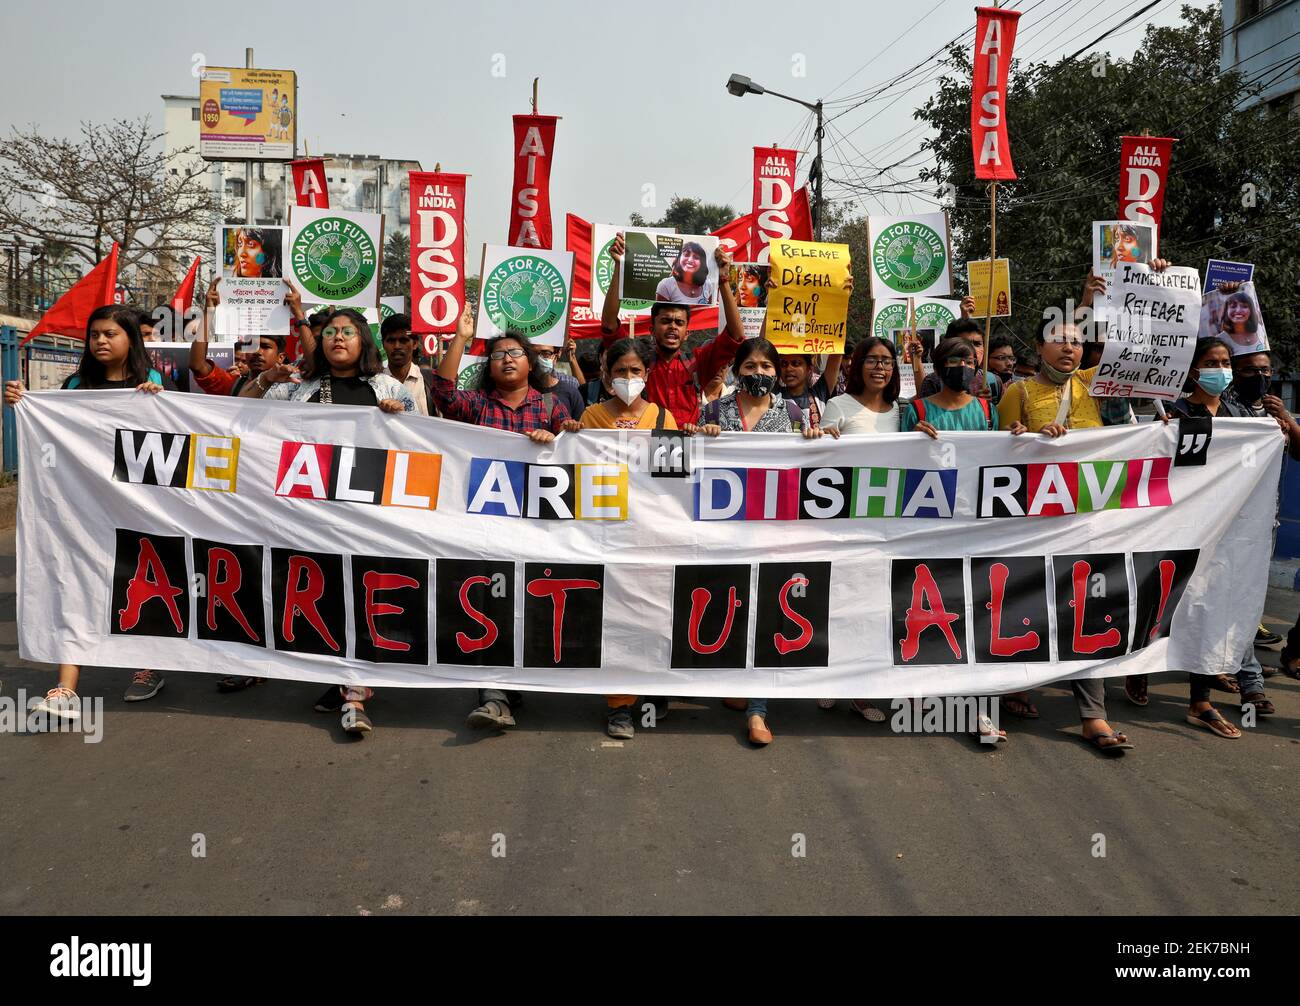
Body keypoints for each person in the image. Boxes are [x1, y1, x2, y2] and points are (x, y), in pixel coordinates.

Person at [240, 307, 415, 735]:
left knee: (361, 592)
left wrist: (401, 418)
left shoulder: (388, 387)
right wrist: (265, 380)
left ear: (363, 342)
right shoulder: (298, 387)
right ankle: (339, 676)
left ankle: (355, 692)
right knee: (326, 593)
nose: (338, 338)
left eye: (349, 332)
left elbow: (425, 444)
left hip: (369, 513)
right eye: (332, 332)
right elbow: (237, 415)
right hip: (310, 513)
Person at [4, 304, 171, 717]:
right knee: (72, 583)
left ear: (130, 339)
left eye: (110, 334)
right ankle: (65, 686)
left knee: (136, 583)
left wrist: (160, 404)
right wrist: (23, 405)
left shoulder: (151, 383)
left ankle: (146, 667)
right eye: (95, 334)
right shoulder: (76, 384)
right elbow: (55, 440)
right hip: (82, 508)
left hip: (136, 508)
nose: (100, 340)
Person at [432, 305, 570, 732]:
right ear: (487, 368)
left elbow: (575, 442)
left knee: (527, 605)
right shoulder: (475, 407)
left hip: (536, 529)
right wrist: (460, 337)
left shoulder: (551, 405)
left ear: (531, 362)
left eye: (514, 352)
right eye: (497, 355)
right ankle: (493, 695)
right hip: (488, 528)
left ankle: (513, 683)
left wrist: (556, 440)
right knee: (492, 603)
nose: (507, 359)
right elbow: (442, 395)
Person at [696, 337, 827, 746]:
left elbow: (812, 460)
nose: (760, 374)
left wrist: (822, 439)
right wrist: (702, 434)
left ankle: (758, 710)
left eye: (767, 368)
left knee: (769, 614)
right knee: (734, 611)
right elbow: (692, 458)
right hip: (725, 534)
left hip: (776, 532)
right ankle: (738, 684)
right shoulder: (714, 410)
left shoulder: (793, 412)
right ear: (737, 372)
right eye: (750, 367)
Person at [1168, 337, 1288, 734]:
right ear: (1192, 369)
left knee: (1212, 607)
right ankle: (1143, 670)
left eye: (1224, 361)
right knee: (1174, 607)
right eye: (1210, 362)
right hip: (1184, 527)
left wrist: (1279, 426)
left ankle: (1199, 701)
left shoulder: (1239, 414)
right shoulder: (1176, 411)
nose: (1219, 369)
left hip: (1229, 530)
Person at [561, 337, 678, 739]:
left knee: (652, 618)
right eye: (620, 371)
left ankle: (650, 691)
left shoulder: (665, 420)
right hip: (605, 535)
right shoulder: (590, 418)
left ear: (647, 375)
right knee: (614, 622)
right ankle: (619, 707)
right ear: (607, 377)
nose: (628, 378)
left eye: (635, 371)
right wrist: (566, 438)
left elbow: (676, 485)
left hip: (650, 537)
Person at [601, 233, 745, 428]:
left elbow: (736, 337)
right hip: (642, 448)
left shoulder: (697, 363)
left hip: (686, 451)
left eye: (679, 323)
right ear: (652, 329)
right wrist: (620, 267)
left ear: (687, 333)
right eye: (666, 321)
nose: (672, 327)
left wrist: (724, 281)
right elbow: (610, 325)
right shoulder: (637, 362)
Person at [191, 278, 295, 396]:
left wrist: (299, 314)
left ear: (281, 357)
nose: (257, 351)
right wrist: (209, 311)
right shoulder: (232, 384)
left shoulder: (296, 387)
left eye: (265, 346)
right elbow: (198, 365)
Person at [902, 337, 998, 436]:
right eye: (953, 361)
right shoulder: (915, 411)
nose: (962, 366)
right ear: (937, 369)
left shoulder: (988, 411)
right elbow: (904, 448)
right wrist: (914, 436)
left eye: (969, 362)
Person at [820, 336, 901, 435]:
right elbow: (821, 448)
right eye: (871, 361)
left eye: (887, 362)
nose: (880, 366)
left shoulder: (899, 409)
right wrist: (819, 436)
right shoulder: (836, 406)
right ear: (859, 366)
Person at [915, 318, 1003, 404]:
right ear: (950, 346)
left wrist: (987, 409)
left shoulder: (993, 381)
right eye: (965, 343)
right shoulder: (934, 381)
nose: (972, 349)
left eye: (977, 344)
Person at [380, 312, 436, 416]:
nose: (397, 346)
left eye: (403, 340)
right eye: (391, 340)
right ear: (383, 344)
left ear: (414, 344)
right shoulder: (374, 383)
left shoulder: (431, 380)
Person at [778, 352, 842, 429]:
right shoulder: (773, 397)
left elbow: (837, 353)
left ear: (809, 368)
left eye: (796, 363)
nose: (788, 369)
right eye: (784, 364)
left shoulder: (819, 392)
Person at [532, 340, 586, 420]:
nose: (539, 359)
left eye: (546, 354)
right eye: (534, 354)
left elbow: (580, 425)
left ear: (556, 355)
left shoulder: (570, 389)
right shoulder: (519, 390)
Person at [655, 240, 716, 305]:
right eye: (686, 255)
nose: (690, 260)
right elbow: (660, 314)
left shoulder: (707, 284)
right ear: (679, 258)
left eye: (696, 257)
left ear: (702, 263)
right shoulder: (666, 285)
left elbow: (708, 312)